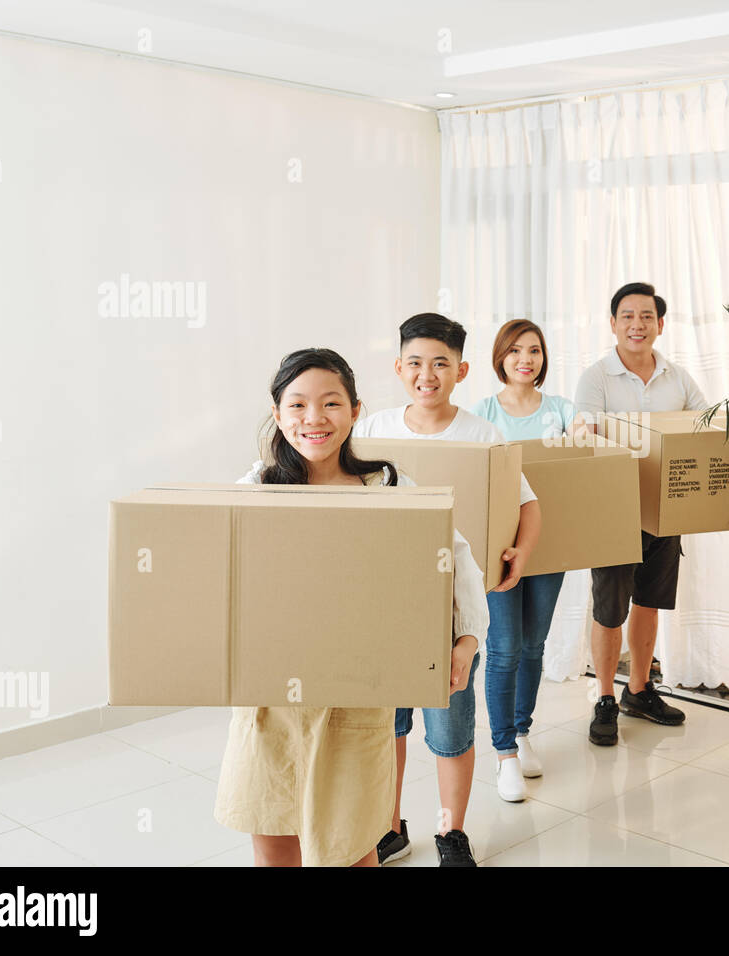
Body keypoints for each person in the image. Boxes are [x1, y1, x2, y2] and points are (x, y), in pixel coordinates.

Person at [212, 347, 489, 867]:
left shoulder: (386, 485)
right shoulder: (256, 489)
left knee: (353, 843)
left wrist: (467, 638)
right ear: (278, 414)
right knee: (274, 835)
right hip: (273, 701)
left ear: (356, 410)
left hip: (357, 696)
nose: (314, 419)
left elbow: (453, 556)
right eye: (297, 406)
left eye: (331, 403)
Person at [354, 313, 541, 866]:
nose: (426, 374)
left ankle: (451, 831)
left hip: (454, 607)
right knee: (387, 723)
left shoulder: (482, 434)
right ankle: (389, 827)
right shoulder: (371, 432)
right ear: (398, 368)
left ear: (460, 370)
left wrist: (520, 555)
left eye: (440, 364)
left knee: (452, 724)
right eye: (414, 363)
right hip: (383, 602)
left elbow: (527, 503)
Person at [573, 282, 709, 746]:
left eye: (646, 317)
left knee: (650, 601)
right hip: (614, 512)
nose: (637, 325)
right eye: (627, 316)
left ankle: (639, 689)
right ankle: (605, 697)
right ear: (613, 324)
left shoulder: (677, 376)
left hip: (665, 512)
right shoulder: (596, 378)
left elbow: (705, 429)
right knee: (610, 608)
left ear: (660, 324)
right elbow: (585, 439)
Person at [470, 319, 587, 802]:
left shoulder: (561, 410)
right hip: (498, 547)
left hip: (547, 544)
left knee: (535, 645)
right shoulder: (481, 414)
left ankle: (521, 731)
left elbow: (582, 457)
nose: (525, 359)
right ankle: (504, 756)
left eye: (534, 351)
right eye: (515, 350)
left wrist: (583, 432)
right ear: (500, 356)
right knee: (504, 649)